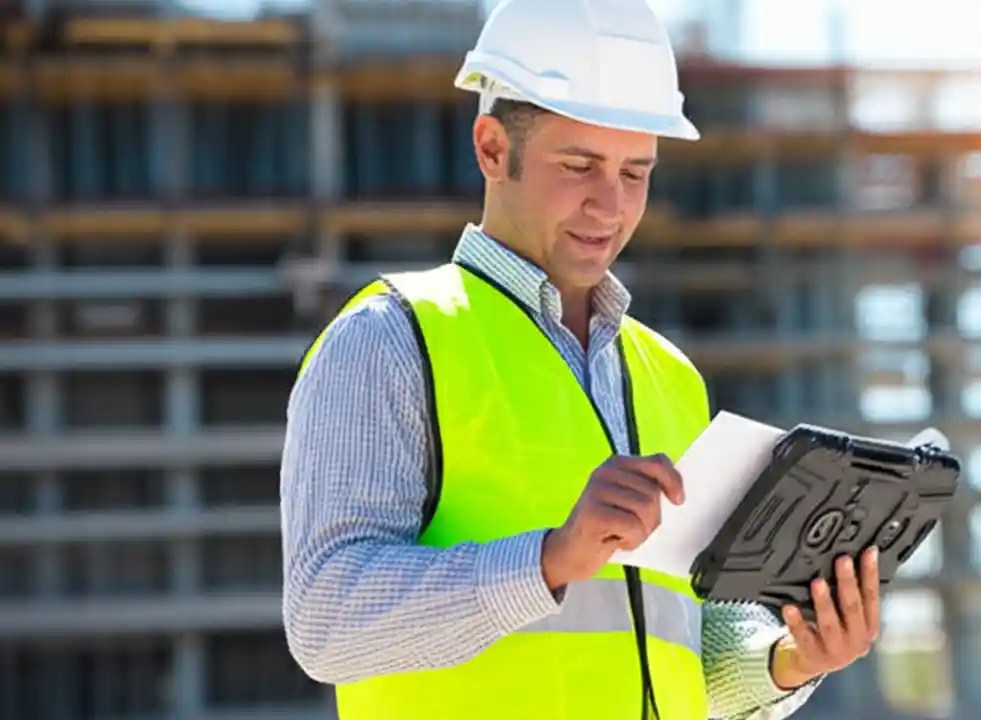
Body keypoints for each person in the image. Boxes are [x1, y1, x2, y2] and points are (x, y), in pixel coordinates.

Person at [280, 1, 881, 717]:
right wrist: (549, 560)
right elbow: (327, 620)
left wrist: (788, 659)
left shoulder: (669, 378)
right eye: (578, 165)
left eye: (635, 173)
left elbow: (667, 647)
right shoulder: (390, 340)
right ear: (492, 149)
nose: (610, 206)